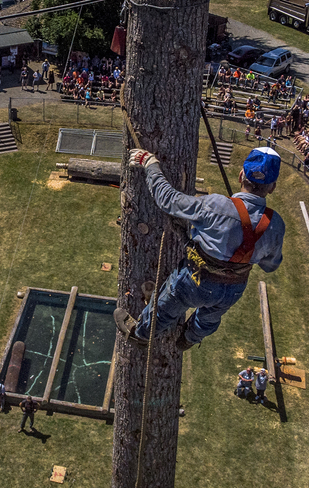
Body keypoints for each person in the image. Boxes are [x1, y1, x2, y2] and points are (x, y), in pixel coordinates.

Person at [114, 148, 286, 351]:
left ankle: (141, 334)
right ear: (272, 187)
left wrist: (151, 165)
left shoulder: (217, 206)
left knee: (167, 306)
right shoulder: (275, 224)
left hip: (196, 281)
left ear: (241, 175)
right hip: (235, 287)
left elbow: (168, 200)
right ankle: (189, 339)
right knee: (210, 316)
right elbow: (270, 265)